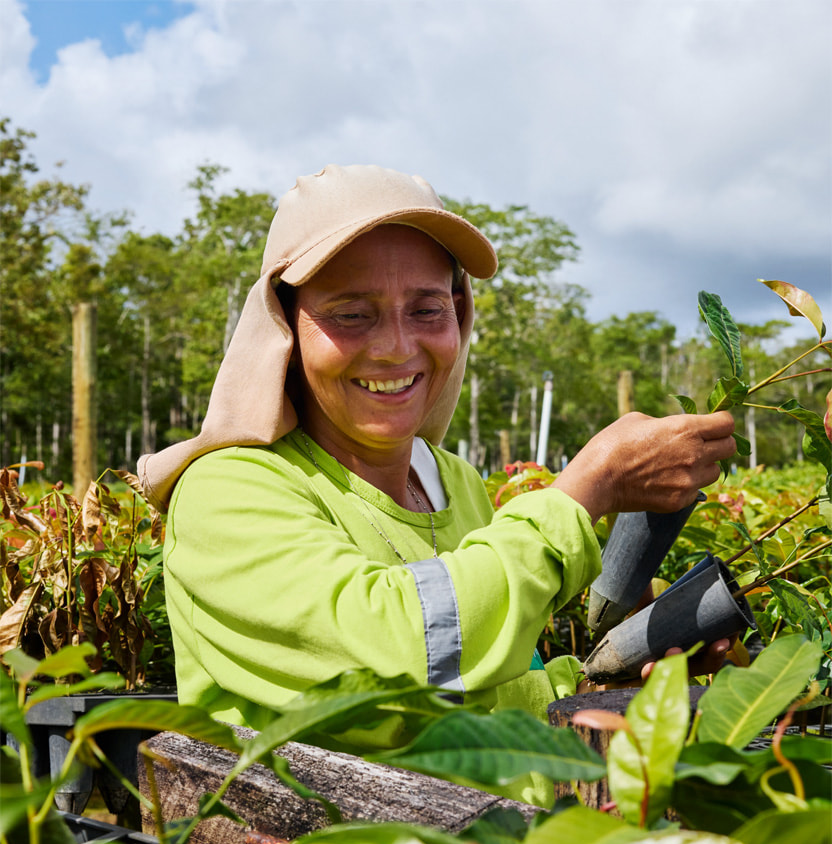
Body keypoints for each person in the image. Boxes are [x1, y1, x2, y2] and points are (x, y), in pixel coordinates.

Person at [139, 164, 736, 805]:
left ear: (459, 315)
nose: (396, 348)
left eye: (426, 309)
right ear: (284, 329)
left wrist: (610, 686)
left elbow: (486, 693)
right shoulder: (228, 490)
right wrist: (582, 493)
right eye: (351, 314)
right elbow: (392, 658)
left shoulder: (454, 484)